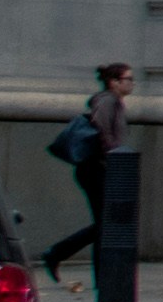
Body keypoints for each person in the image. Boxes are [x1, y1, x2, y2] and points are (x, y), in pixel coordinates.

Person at [42, 60, 128, 290]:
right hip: (95, 169)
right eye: (128, 79)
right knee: (106, 224)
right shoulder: (107, 100)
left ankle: (65, 257)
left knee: (105, 224)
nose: (132, 84)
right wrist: (112, 154)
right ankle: (58, 254)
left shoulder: (113, 101)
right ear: (114, 82)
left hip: (98, 168)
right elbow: (100, 127)